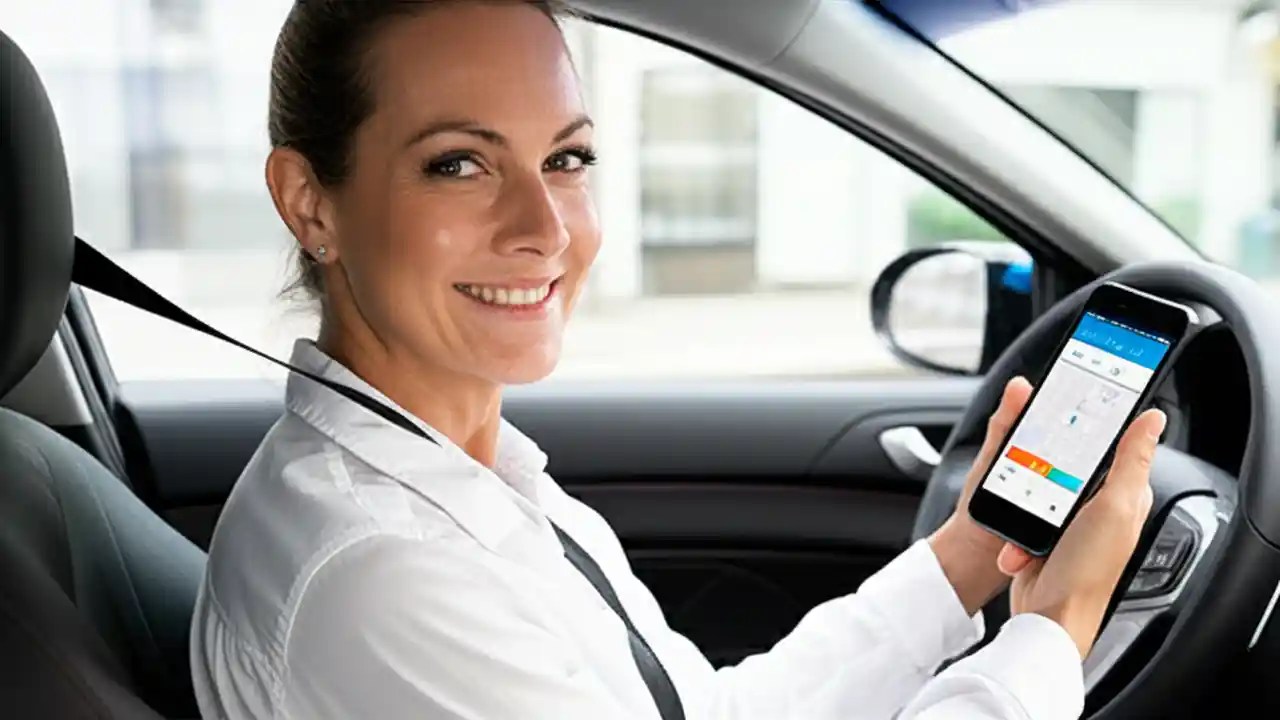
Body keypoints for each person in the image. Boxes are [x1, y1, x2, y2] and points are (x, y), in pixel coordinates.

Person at [189, 1, 1161, 718]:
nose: (545, 228)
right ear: (311, 204)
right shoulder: (380, 573)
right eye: (459, 164)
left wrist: (965, 557)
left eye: (565, 159)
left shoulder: (465, 479)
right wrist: (1052, 634)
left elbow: (705, 713)